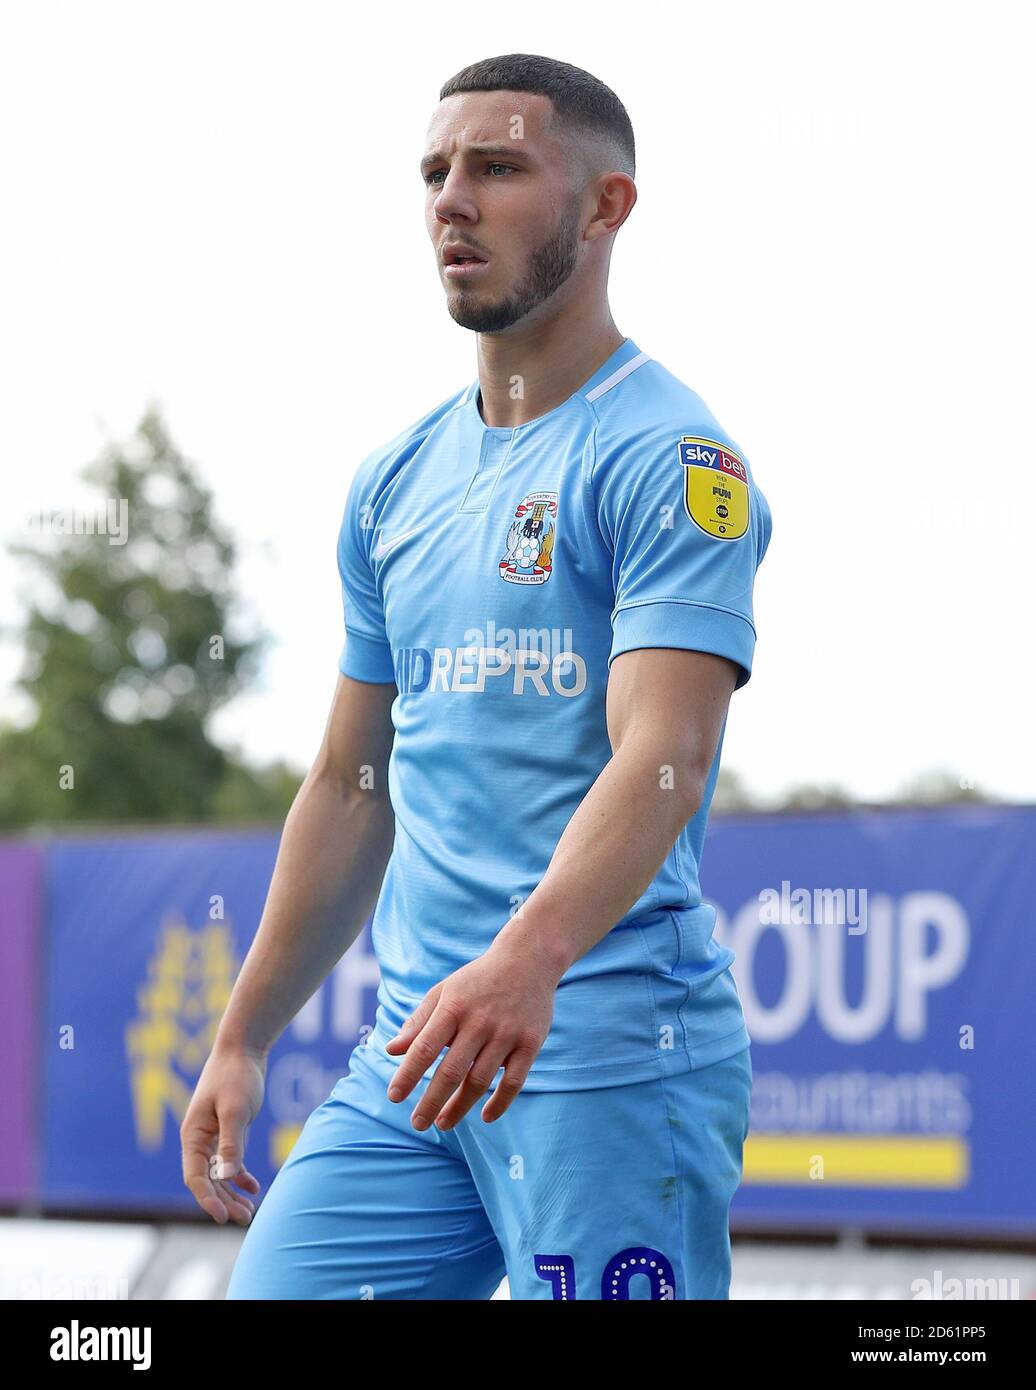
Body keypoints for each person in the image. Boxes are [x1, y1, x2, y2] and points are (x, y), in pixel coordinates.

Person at [183, 51, 773, 1301]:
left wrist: (531, 958)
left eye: (498, 168)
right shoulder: (393, 481)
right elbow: (349, 786)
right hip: (414, 1064)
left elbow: (665, 754)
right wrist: (241, 1035)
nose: (452, 199)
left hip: (601, 1048)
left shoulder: (673, 459)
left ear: (606, 206)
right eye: (436, 172)